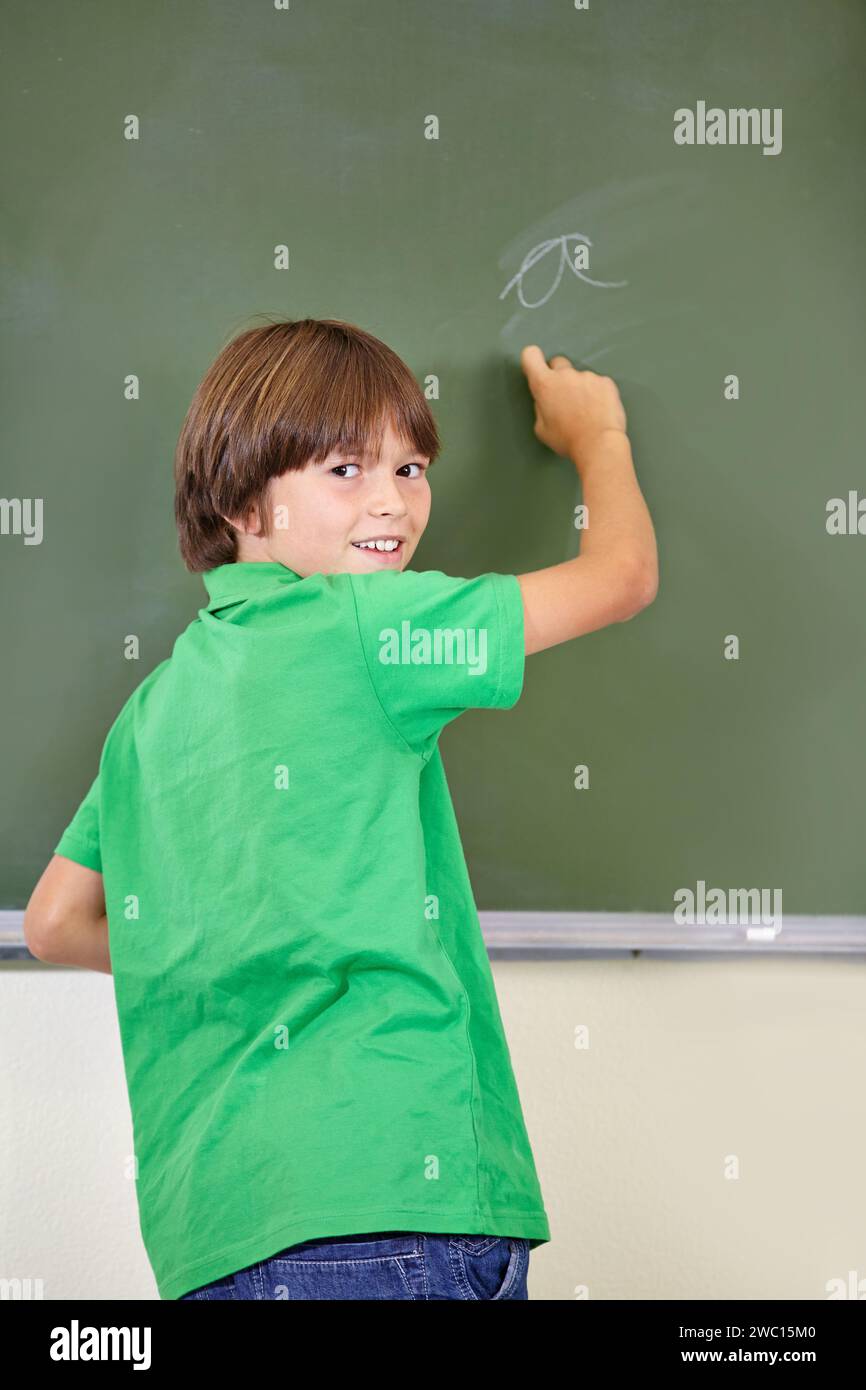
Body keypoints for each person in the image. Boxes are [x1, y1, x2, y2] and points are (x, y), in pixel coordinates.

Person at [24, 318, 657, 1300]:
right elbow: (620, 578)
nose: (391, 502)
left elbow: (55, 922)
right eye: (344, 468)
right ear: (241, 497)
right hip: (396, 1194)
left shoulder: (149, 715)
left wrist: (231, 936)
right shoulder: (373, 629)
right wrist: (598, 440)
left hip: (218, 1236)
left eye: (411, 469)